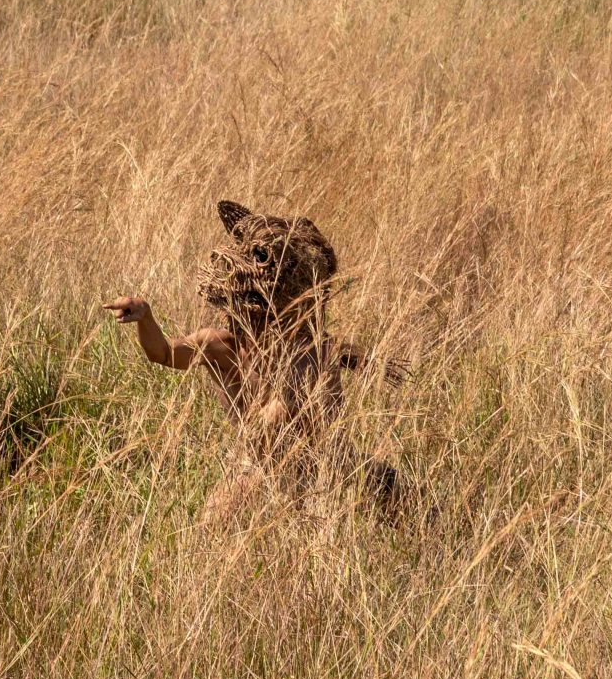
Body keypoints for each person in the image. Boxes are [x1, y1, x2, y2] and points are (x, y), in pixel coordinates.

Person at [104, 199, 398, 519]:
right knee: (215, 522)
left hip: (334, 470)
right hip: (257, 468)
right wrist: (145, 316)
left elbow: (274, 423)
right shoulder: (219, 345)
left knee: (420, 518)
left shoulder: (307, 353)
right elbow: (162, 353)